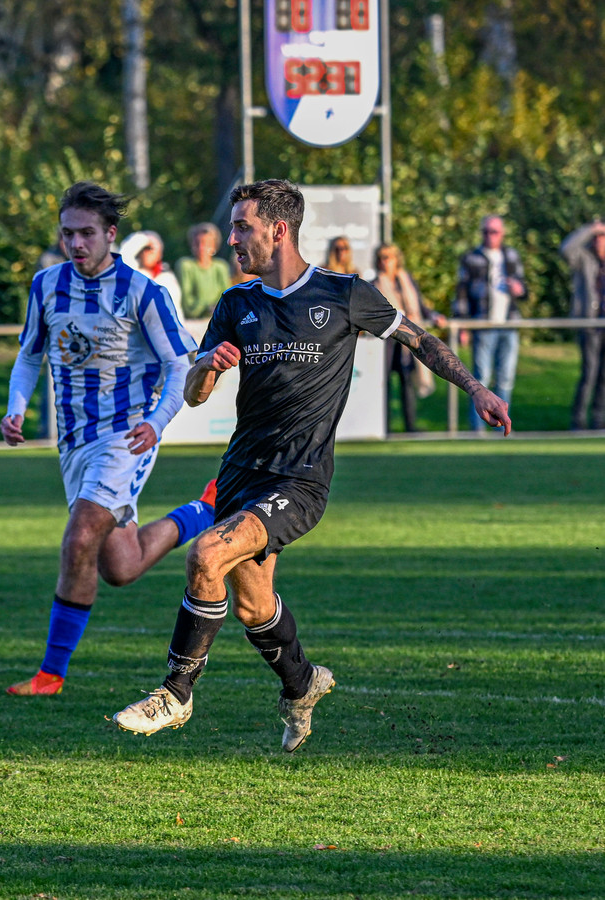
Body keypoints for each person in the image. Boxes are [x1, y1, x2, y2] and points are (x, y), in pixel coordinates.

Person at [111, 179, 510, 751]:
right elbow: (196, 393)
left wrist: (475, 388)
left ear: (279, 229)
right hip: (241, 472)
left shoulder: (344, 293)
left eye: (242, 227)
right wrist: (210, 369)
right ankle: (302, 685)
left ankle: (175, 693)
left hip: (299, 479)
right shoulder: (235, 304)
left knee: (207, 554)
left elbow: (419, 341)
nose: (232, 239)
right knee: (252, 605)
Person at [1, 182, 212, 696]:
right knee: (120, 566)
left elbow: (180, 362)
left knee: (78, 537)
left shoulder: (143, 292)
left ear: (110, 234)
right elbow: (30, 355)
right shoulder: (47, 284)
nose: (76, 243)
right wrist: (16, 407)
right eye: (68, 233)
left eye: (87, 233)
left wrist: (157, 423)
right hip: (73, 442)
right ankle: (203, 512)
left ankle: (51, 674)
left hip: (126, 437)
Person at [454, 215, 527, 432]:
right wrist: (463, 325)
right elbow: (461, 293)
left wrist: (519, 289)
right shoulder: (471, 257)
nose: (489, 235)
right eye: (486, 231)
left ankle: (502, 428)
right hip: (483, 324)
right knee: (480, 379)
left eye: (494, 231)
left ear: (502, 233)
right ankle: (477, 431)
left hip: (508, 324)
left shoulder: (511, 255)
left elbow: (524, 288)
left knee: (506, 377)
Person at [372, 243, 447, 432]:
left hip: (408, 340)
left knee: (407, 382)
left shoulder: (407, 281)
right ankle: (384, 428)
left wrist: (434, 316)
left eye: (389, 257)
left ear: (397, 259)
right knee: (385, 384)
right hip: (387, 341)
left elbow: (421, 306)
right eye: (381, 257)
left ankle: (410, 427)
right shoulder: (374, 283)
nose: (385, 261)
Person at [560, 221, 605, 430]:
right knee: (589, 372)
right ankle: (578, 421)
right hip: (589, 324)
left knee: (604, 375)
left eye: (602, 236)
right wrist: (590, 229)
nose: (599, 241)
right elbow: (566, 249)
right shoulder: (584, 258)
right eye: (597, 237)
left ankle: (599, 420)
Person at [175, 222, 231, 319]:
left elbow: (227, 296)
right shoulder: (186, 265)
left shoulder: (221, 267)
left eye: (206, 243)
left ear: (214, 246)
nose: (201, 247)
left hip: (219, 320)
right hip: (193, 321)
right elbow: (187, 303)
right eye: (197, 243)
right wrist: (207, 308)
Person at [119, 230, 183, 313]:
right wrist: (143, 239)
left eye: (150, 248)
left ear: (160, 253)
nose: (146, 252)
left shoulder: (167, 277)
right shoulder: (132, 272)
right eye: (144, 248)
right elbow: (123, 255)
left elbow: (176, 309)